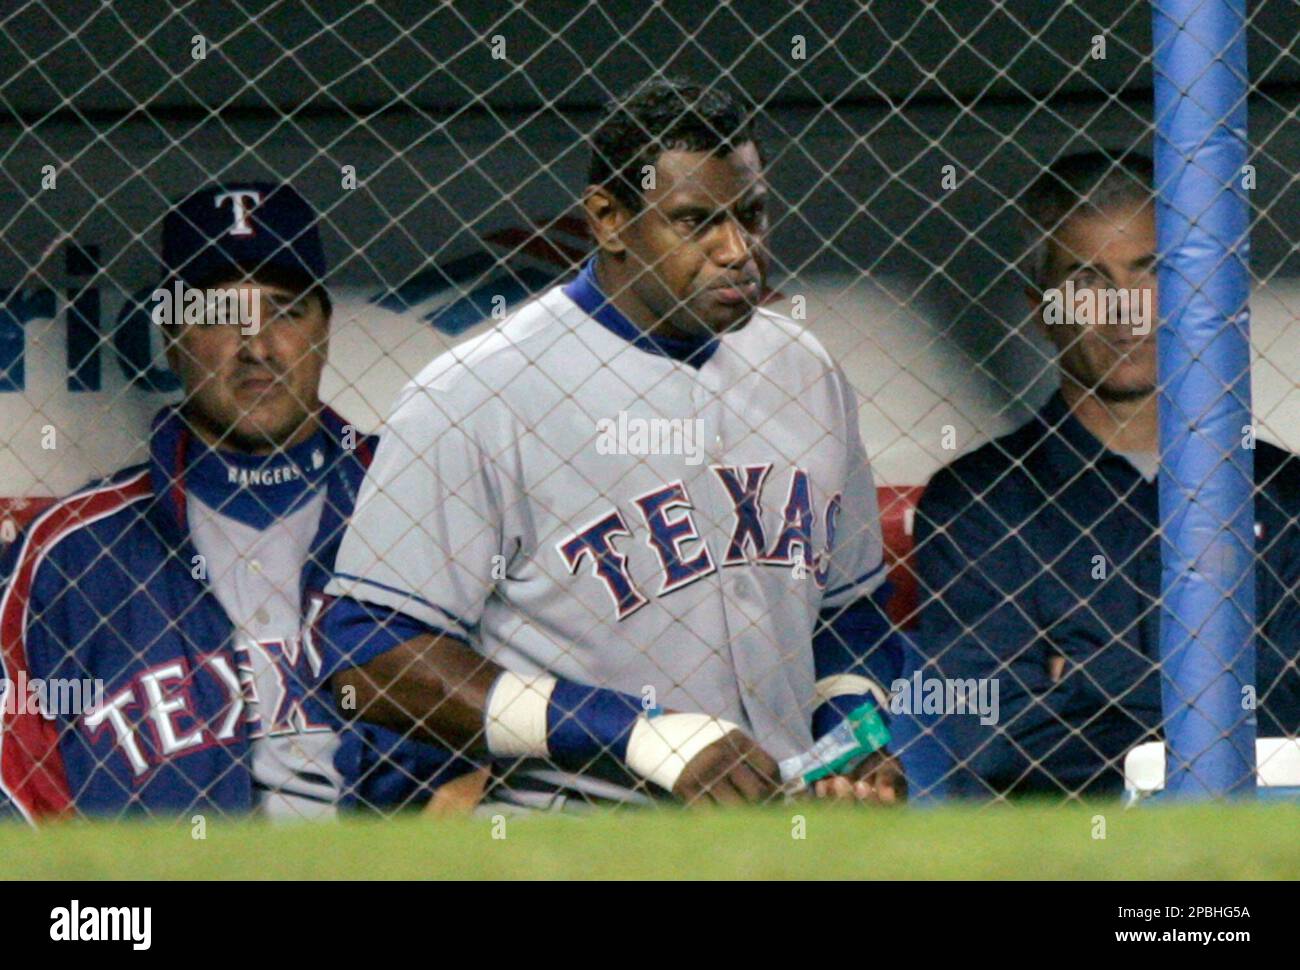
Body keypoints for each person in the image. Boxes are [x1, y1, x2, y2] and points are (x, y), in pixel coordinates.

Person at [319, 77, 905, 810]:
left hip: (776, 832)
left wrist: (852, 741)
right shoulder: (477, 392)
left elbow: (849, 609)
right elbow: (364, 659)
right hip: (578, 825)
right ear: (608, 219)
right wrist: (636, 734)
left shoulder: (805, 370)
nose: (738, 250)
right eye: (696, 221)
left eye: (751, 214)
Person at [0, 182, 468, 820]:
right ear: (171, 333)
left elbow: (533, 703)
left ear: (325, 331)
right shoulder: (70, 553)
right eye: (221, 313)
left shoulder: (429, 502)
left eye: (284, 309)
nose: (258, 344)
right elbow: (17, 792)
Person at [913, 151, 1300, 797]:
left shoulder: (1285, 493)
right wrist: (1228, 690)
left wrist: (1091, 680)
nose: (1125, 310)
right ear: (1043, 308)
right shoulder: (977, 503)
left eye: (1149, 273)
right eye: (1087, 281)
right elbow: (992, 742)